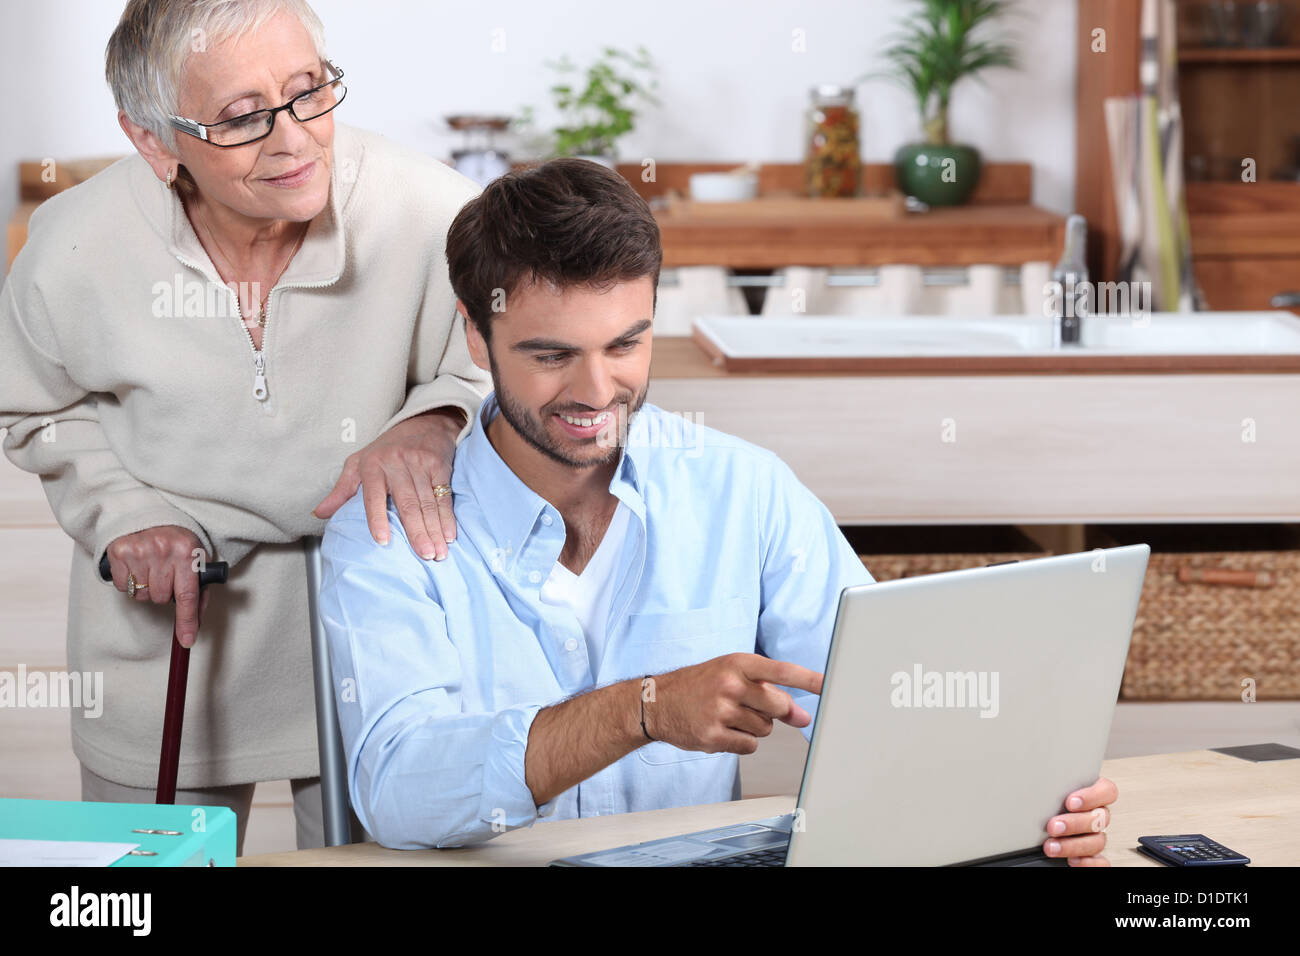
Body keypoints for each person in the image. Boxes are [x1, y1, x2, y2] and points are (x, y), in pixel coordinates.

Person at [319, 158, 1120, 863]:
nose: (597, 394)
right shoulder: (388, 525)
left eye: (625, 346)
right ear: (473, 333)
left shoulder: (744, 491)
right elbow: (398, 789)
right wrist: (643, 710)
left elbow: (889, 698)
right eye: (551, 355)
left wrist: (1030, 804)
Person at [0, 0, 489, 855]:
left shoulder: (435, 213)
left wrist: (438, 419)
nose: (295, 138)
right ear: (154, 140)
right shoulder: (73, 247)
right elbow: (35, 404)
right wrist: (122, 512)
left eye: (309, 92)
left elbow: (505, 360)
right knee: (133, 906)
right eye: (242, 117)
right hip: (170, 636)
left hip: (382, 629)